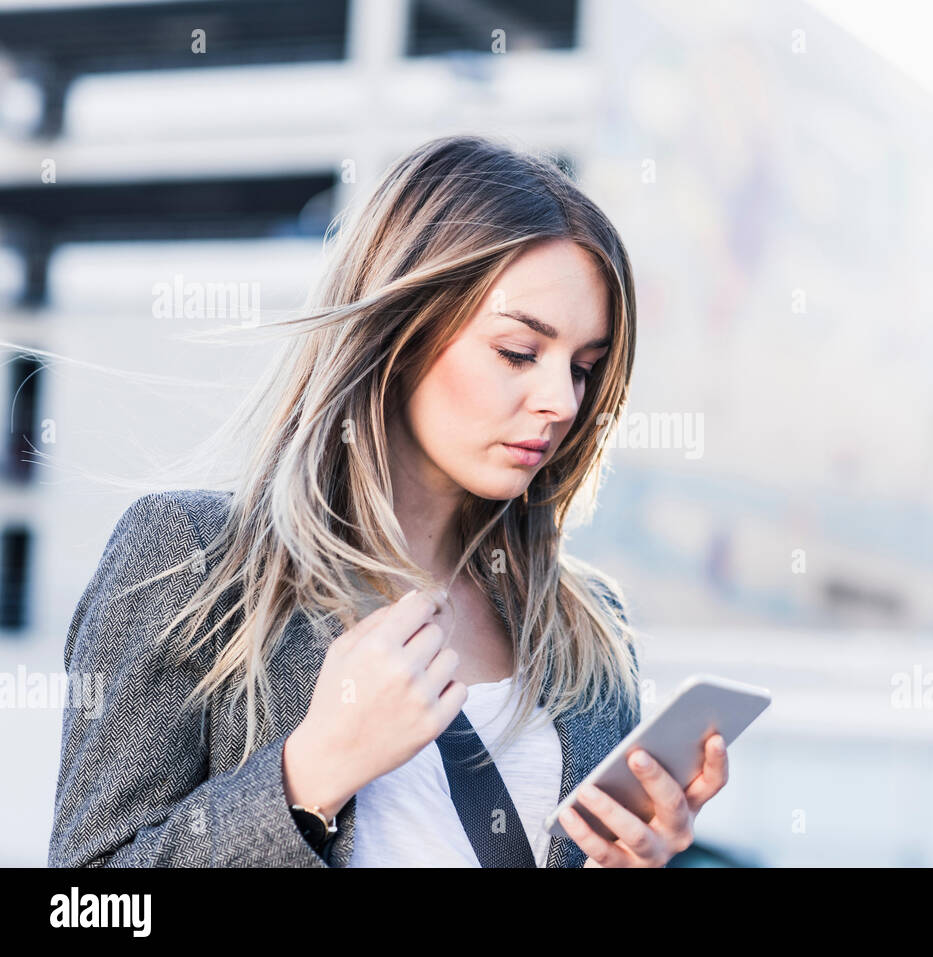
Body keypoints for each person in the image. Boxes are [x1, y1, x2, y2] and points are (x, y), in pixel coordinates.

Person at [47, 133, 729, 868]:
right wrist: (310, 774)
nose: (561, 401)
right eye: (518, 353)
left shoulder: (589, 626)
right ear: (401, 332)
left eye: (585, 367)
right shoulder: (196, 559)